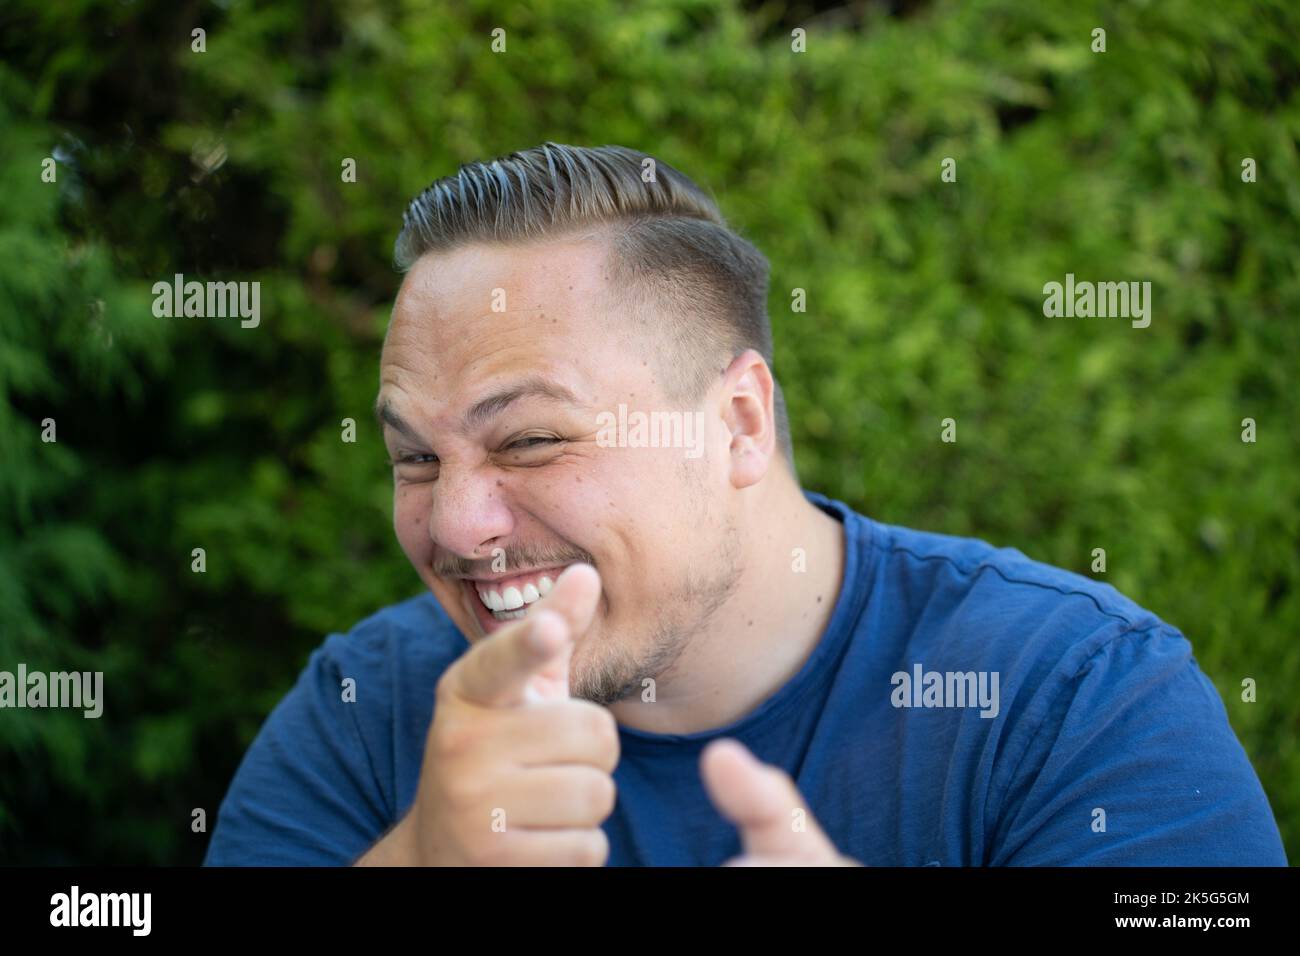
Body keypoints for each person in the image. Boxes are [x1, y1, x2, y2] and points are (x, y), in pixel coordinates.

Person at [203, 143, 1287, 866]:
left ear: (737, 422)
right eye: (414, 458)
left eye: (529, 440)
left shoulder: (1074, 697)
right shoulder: (371, 712)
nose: (454, 525)